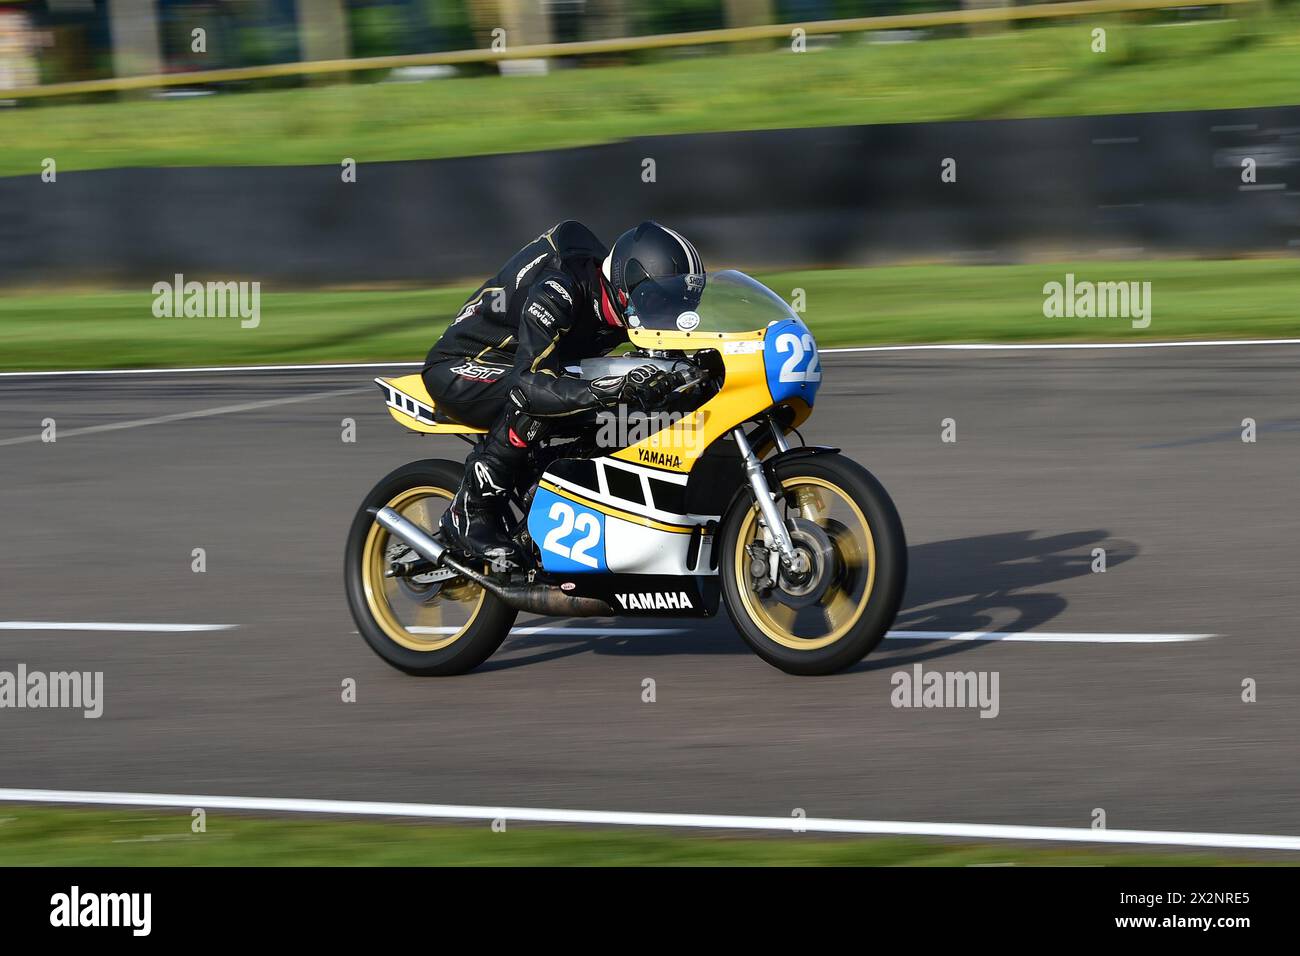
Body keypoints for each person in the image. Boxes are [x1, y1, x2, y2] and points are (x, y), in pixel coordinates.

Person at [423, 219, 705, 566]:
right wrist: (610, 390)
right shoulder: (560, 287)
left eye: (679, 303)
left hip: (534, 365)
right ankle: (470, 510)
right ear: (628, 287)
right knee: (534, 396)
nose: (669, 312)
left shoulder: (629, 302)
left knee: (637, 401)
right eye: (662, 300)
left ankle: (557, 485)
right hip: (464, 365)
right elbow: (529, 383)